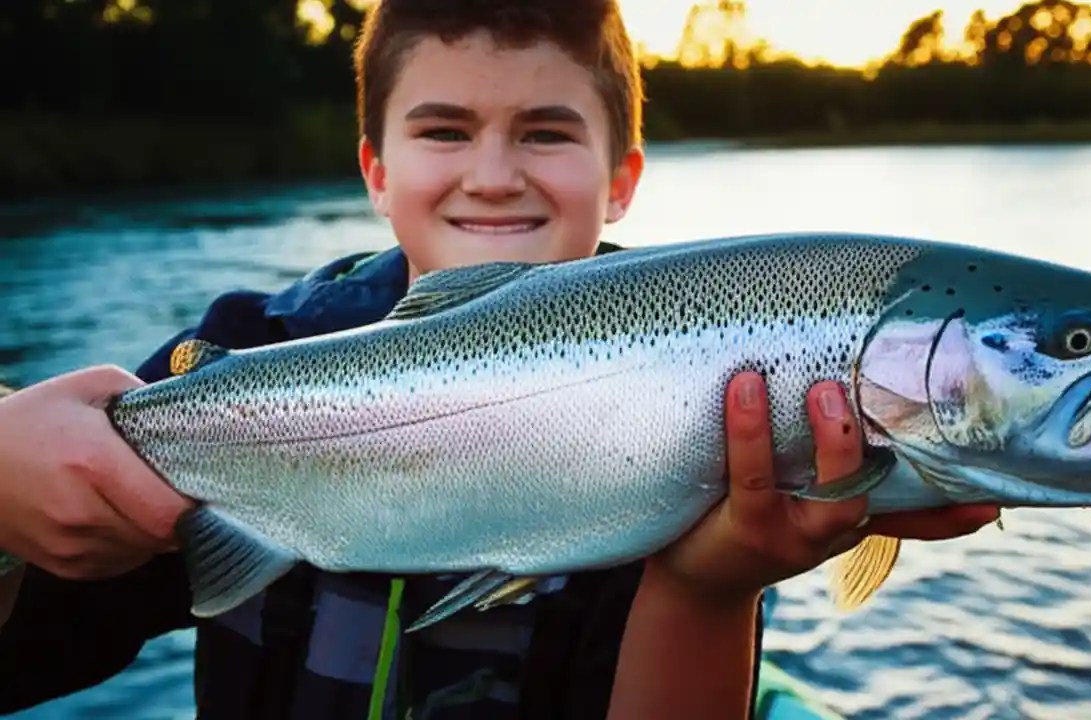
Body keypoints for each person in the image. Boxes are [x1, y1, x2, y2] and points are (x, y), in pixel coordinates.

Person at [0, 1, 1000, 718]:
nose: (491, 175)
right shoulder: (250, 354)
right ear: (376, 171)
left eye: (544, 133)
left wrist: (710, 585)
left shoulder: (712, 389)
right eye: (445, 131)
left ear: (621, 179)